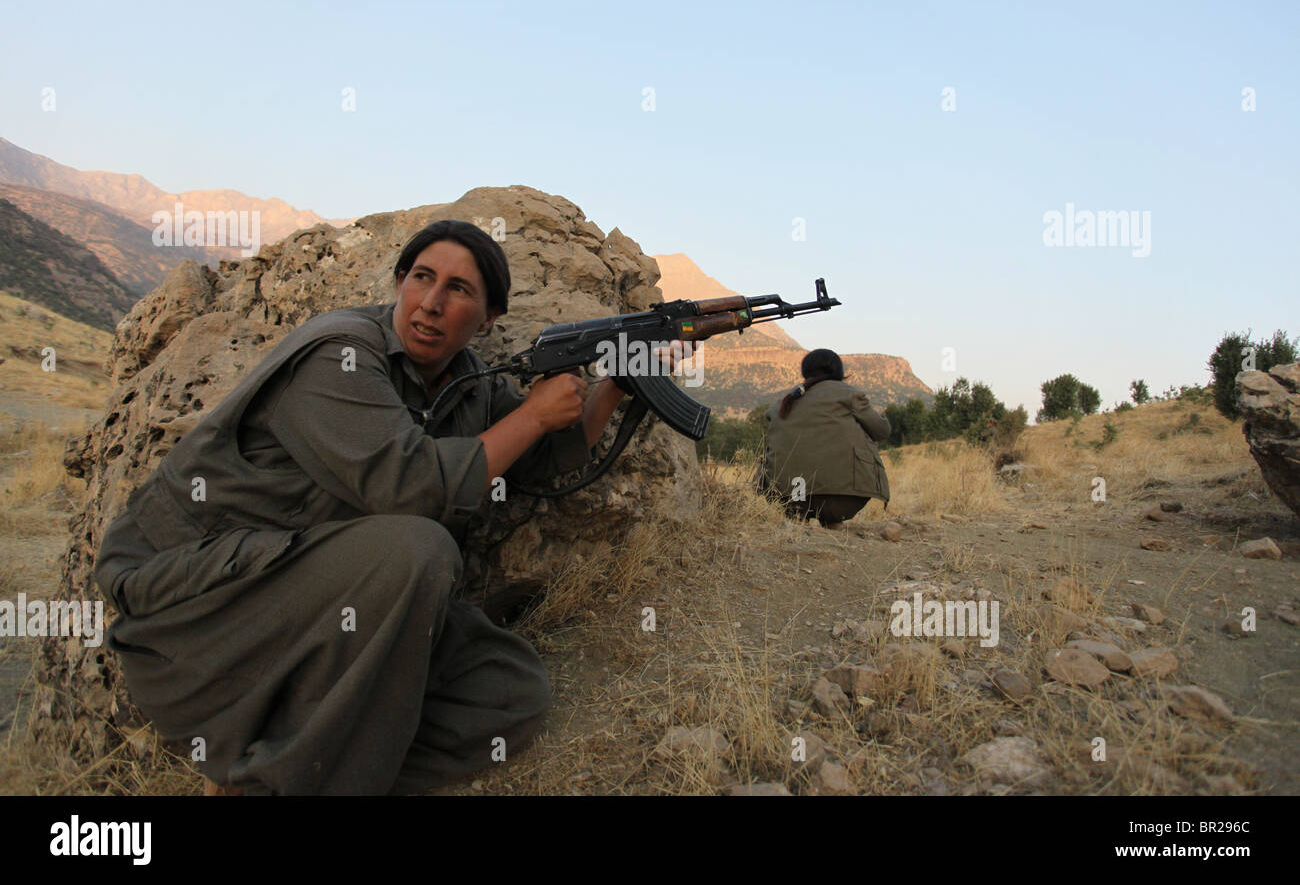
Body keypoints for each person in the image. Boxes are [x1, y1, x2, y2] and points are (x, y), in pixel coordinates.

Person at [93, 218, 636, 795]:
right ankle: (277, 780)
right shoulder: (339, 354)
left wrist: (623, 381)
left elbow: (544, 457)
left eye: (457, 290)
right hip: (195, 617)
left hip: (315, 617)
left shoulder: (469, 382)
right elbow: (409, 489)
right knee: (420, 548)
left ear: (488, 319)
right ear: (399, 282)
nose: (430, 302)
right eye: (421, 278)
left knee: (509, 690)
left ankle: (306, 758)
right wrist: (530, 414)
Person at [760, 348, 891, 528]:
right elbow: (882, 431)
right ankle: (832, 521)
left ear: (805, 372)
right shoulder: (849, 394)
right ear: (839, 371)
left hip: (791, 499)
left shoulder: (784, 401)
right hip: (844, 499)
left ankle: (800, 520)